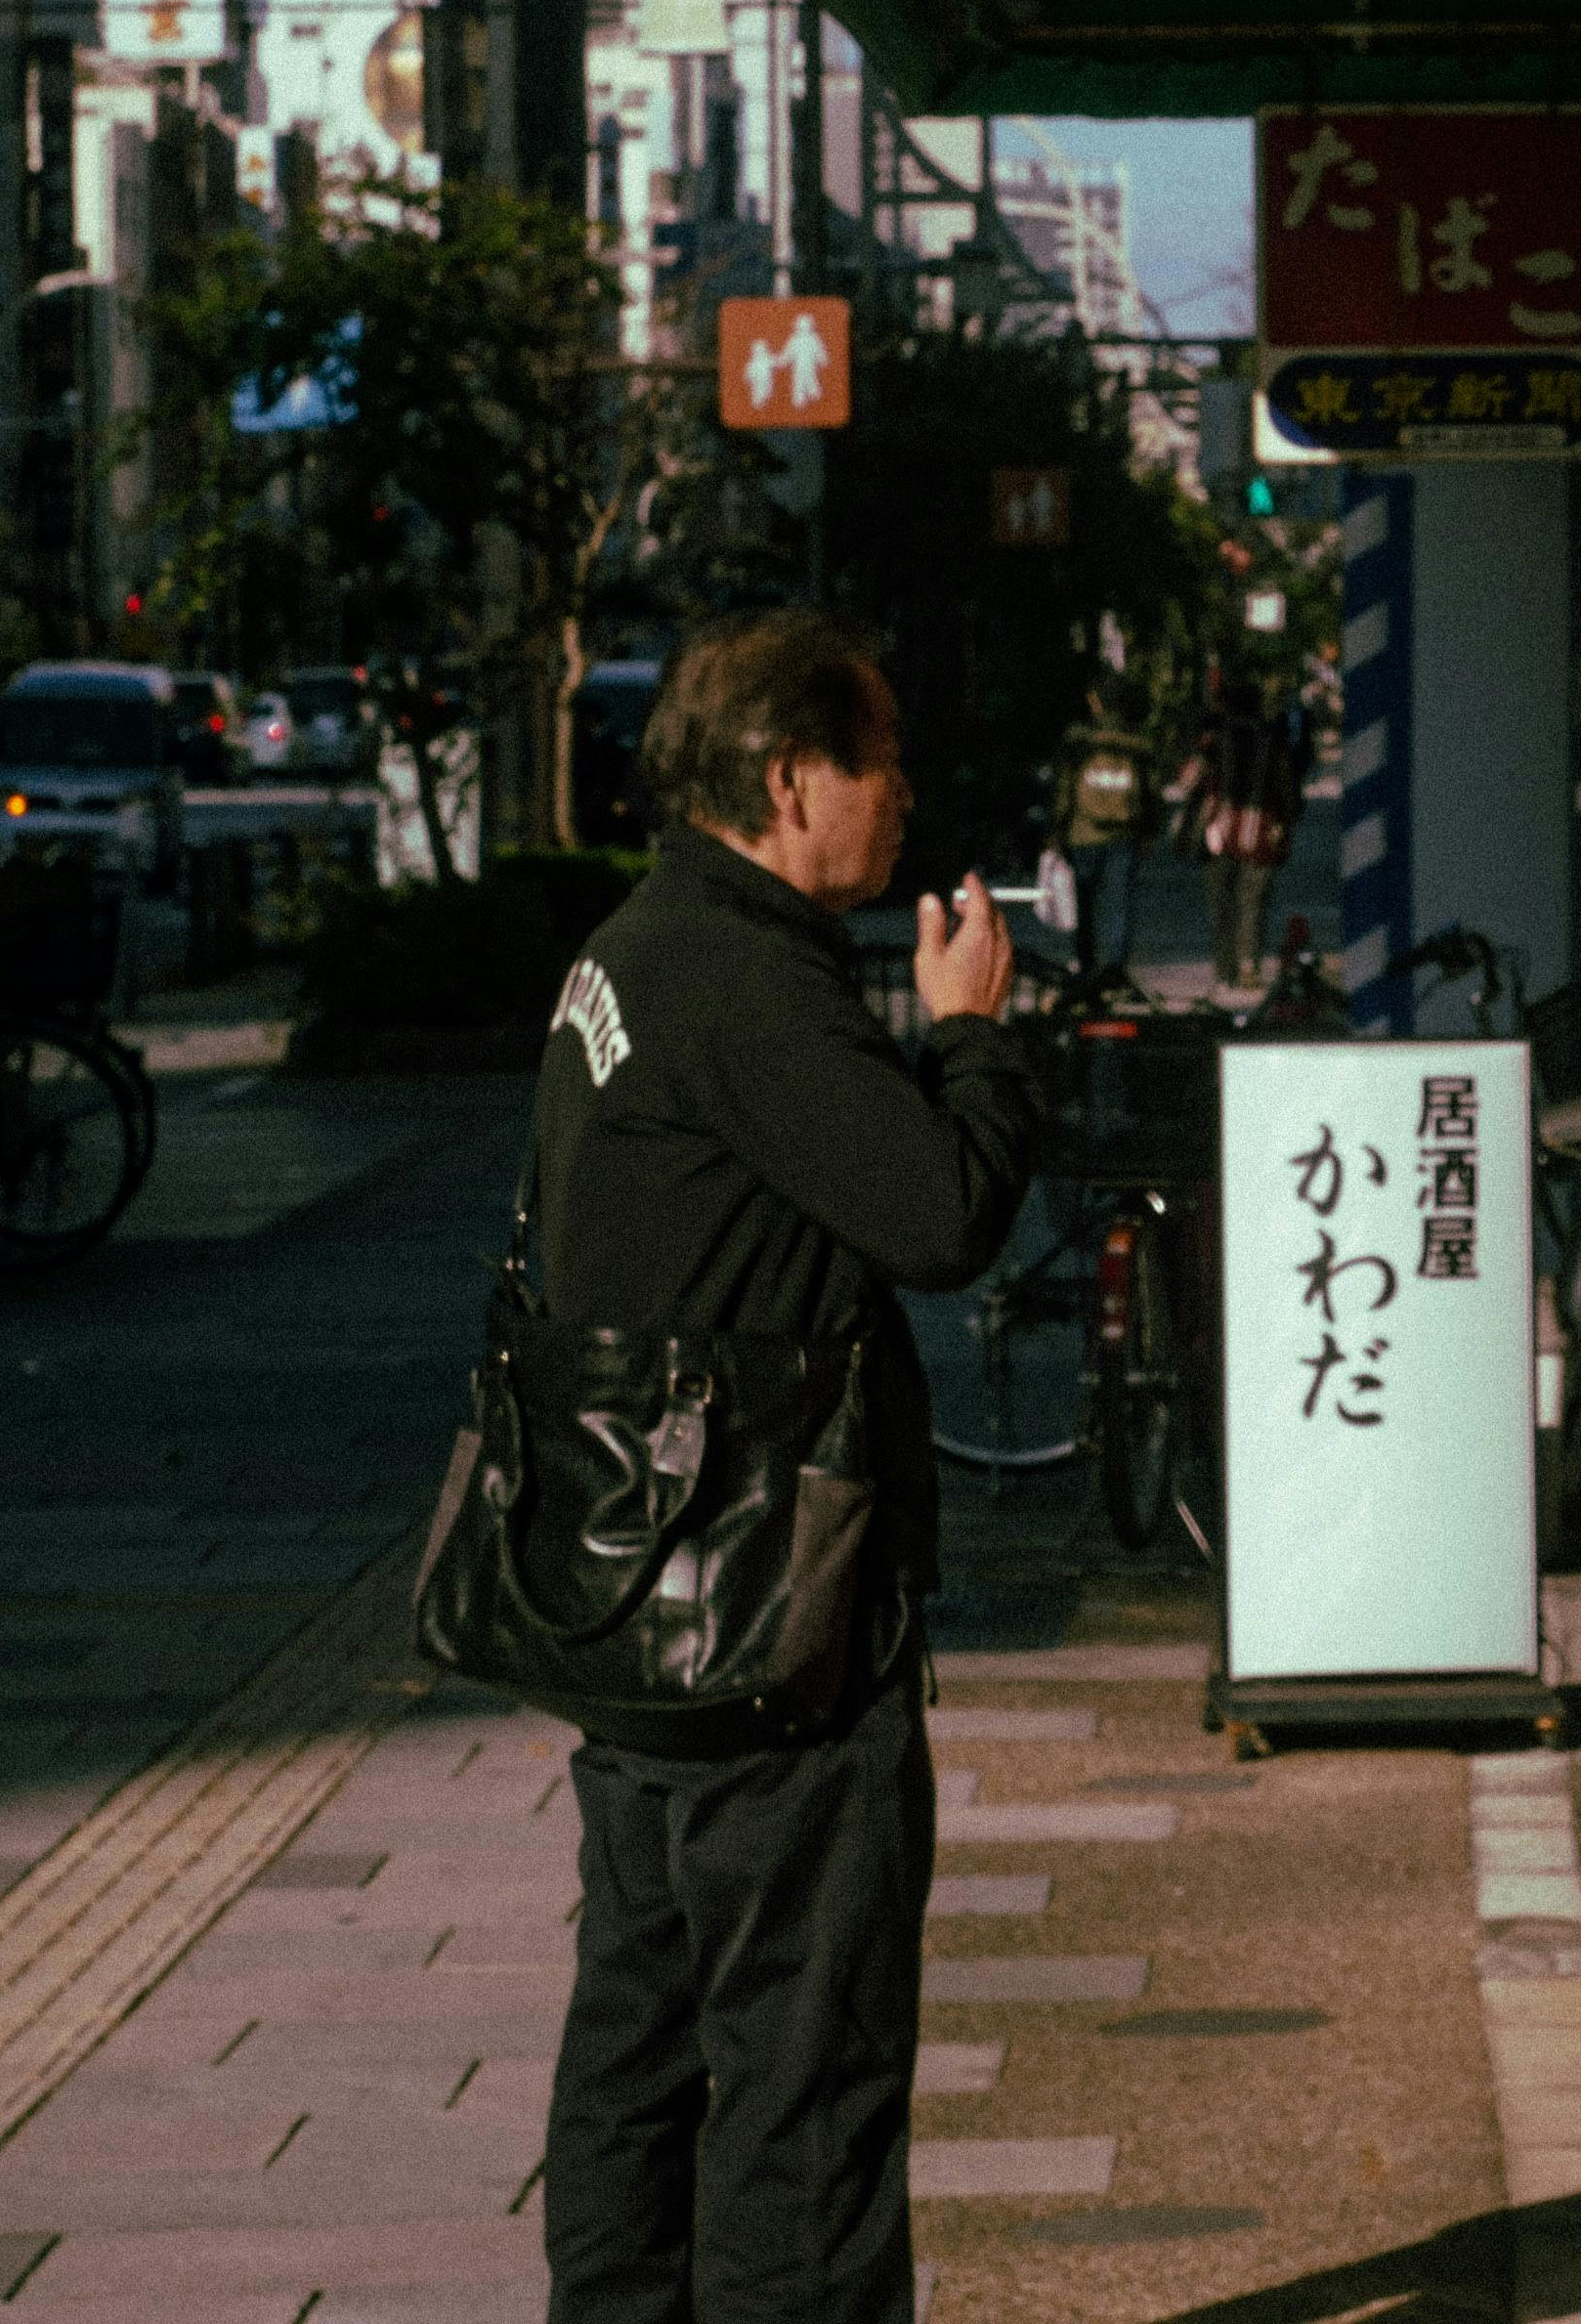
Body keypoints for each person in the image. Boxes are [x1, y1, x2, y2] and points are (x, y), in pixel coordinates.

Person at [525, 609, 1040, 2324]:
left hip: (633, 1597)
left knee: (641, 2050)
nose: (901, 789)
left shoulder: (636, 943)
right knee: (801, 2084)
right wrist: (967, 1027)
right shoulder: (746, 976)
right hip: (768, 1618)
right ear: (787, 775)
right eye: (876, 754)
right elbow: (938, 1209)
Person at [1192, 667, 1304, 996]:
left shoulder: (1215, 738)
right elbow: (1287, 786)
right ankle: (1247, 966)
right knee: (1252, 902)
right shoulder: (1273, 741)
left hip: (1219, 832)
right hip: (1261, 832)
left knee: (1221, 903)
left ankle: (1223, 970)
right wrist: (1289, 817)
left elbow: (1191, 777)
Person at [1047, 676, 1159, 975]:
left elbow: (1065, 788)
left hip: (1082, 831)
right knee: (1119, 902)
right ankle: (1114, 968)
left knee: (1083, 904)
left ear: (1096, 701)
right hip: (1125, 832)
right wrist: (1149, 830)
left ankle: (1086, 967)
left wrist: (1057, 828)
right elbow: (1150, 791)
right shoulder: (1138, 741)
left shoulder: (1079, 739)